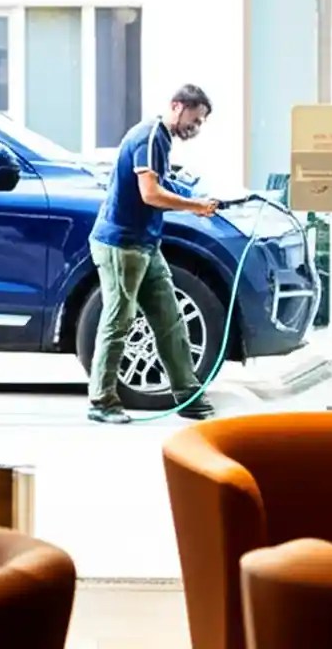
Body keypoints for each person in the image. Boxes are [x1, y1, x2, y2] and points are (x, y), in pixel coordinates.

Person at [87, 84, 219, 424]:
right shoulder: (150, 136)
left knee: (169, 317)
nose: (197, 126)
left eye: (202, 122)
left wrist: (201, 194)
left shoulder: (161, 139)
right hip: (121, 244)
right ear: (177, 106)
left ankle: (187, 394)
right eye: (196, 118)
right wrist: (196, 207)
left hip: (145, 243)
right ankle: (101, 401)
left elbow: (164, 183)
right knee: (119, 318)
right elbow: (150, 193)